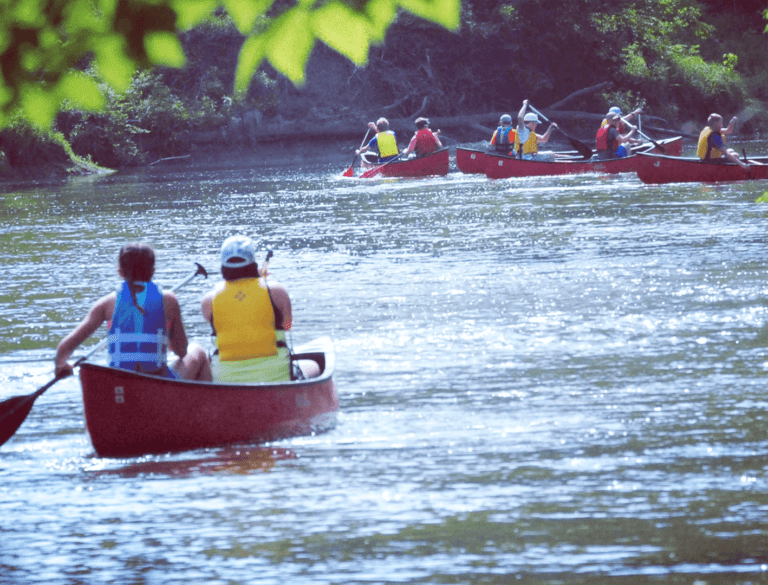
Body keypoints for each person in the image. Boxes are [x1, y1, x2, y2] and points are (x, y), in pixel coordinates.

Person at [54, 243, 211, 381]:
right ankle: (205, 410)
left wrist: (62, 365)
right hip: (157, 383)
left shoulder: (107, 303)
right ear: (153, 270)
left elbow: (64, 348)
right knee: (198, 351)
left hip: (119, 383)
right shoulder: (168, 300)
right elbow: (181, 351)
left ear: (120, 272)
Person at [201, 235, 320, 383]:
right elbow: (287, 326)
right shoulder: (276, 291)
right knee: (314, 365)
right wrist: (258, 280)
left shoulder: (209, 300)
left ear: (223, 264)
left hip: (227, 381)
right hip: (276, 377)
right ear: (253, 261)